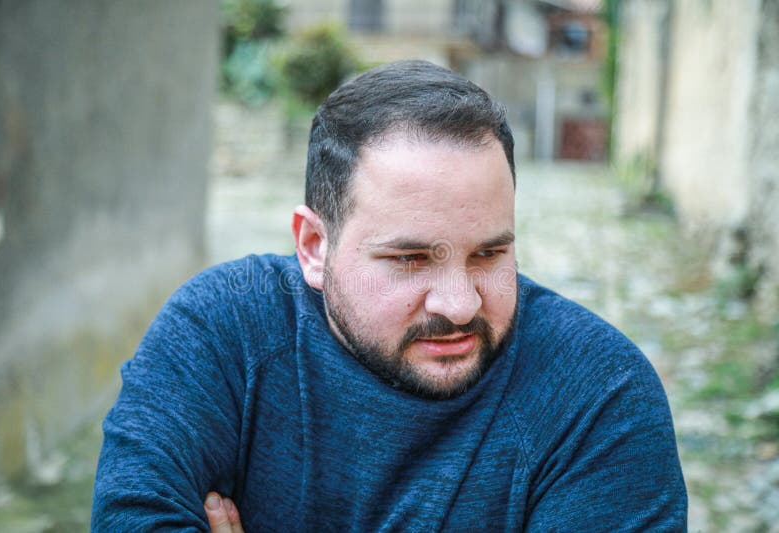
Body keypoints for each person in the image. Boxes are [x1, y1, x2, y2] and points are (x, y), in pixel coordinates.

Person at [91, 60, 687, 532]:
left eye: (489, 254)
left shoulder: (598, 394)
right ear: (313, 247)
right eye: (410, 259)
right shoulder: (221, 332)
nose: (460, 305)